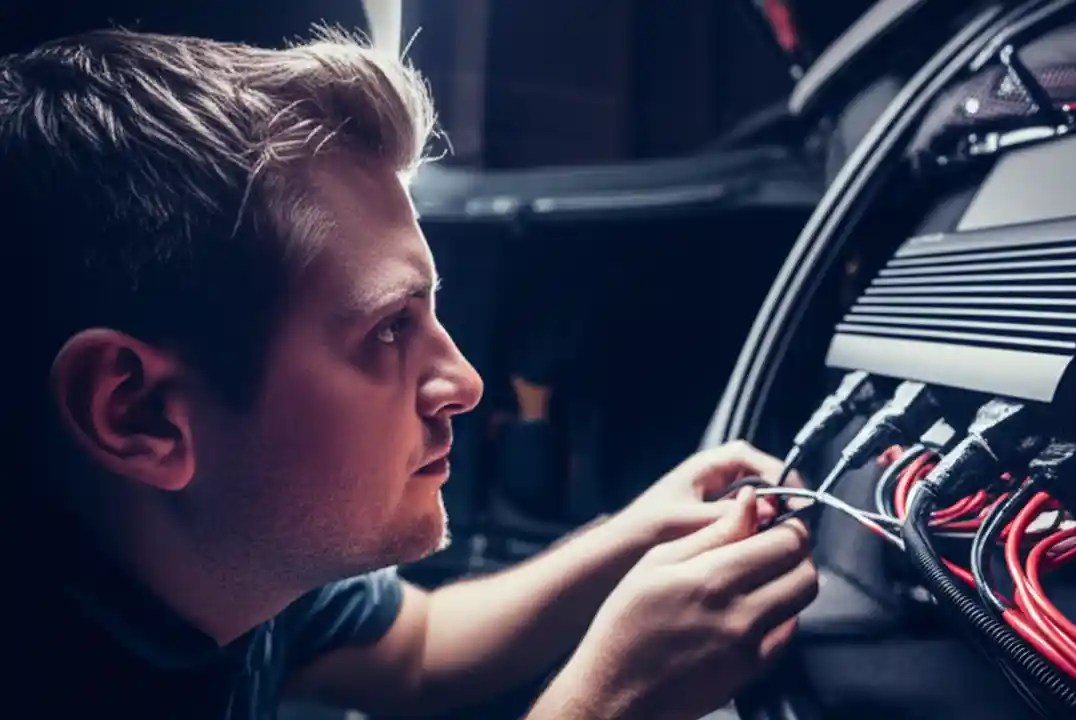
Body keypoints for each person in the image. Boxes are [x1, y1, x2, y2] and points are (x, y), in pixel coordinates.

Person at [3, 29, 818, 719]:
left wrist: (634, 533)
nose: (463, 381)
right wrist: (607, 698)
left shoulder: (229, 551)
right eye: (390, 327)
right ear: (139, 413)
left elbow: (419, 649)